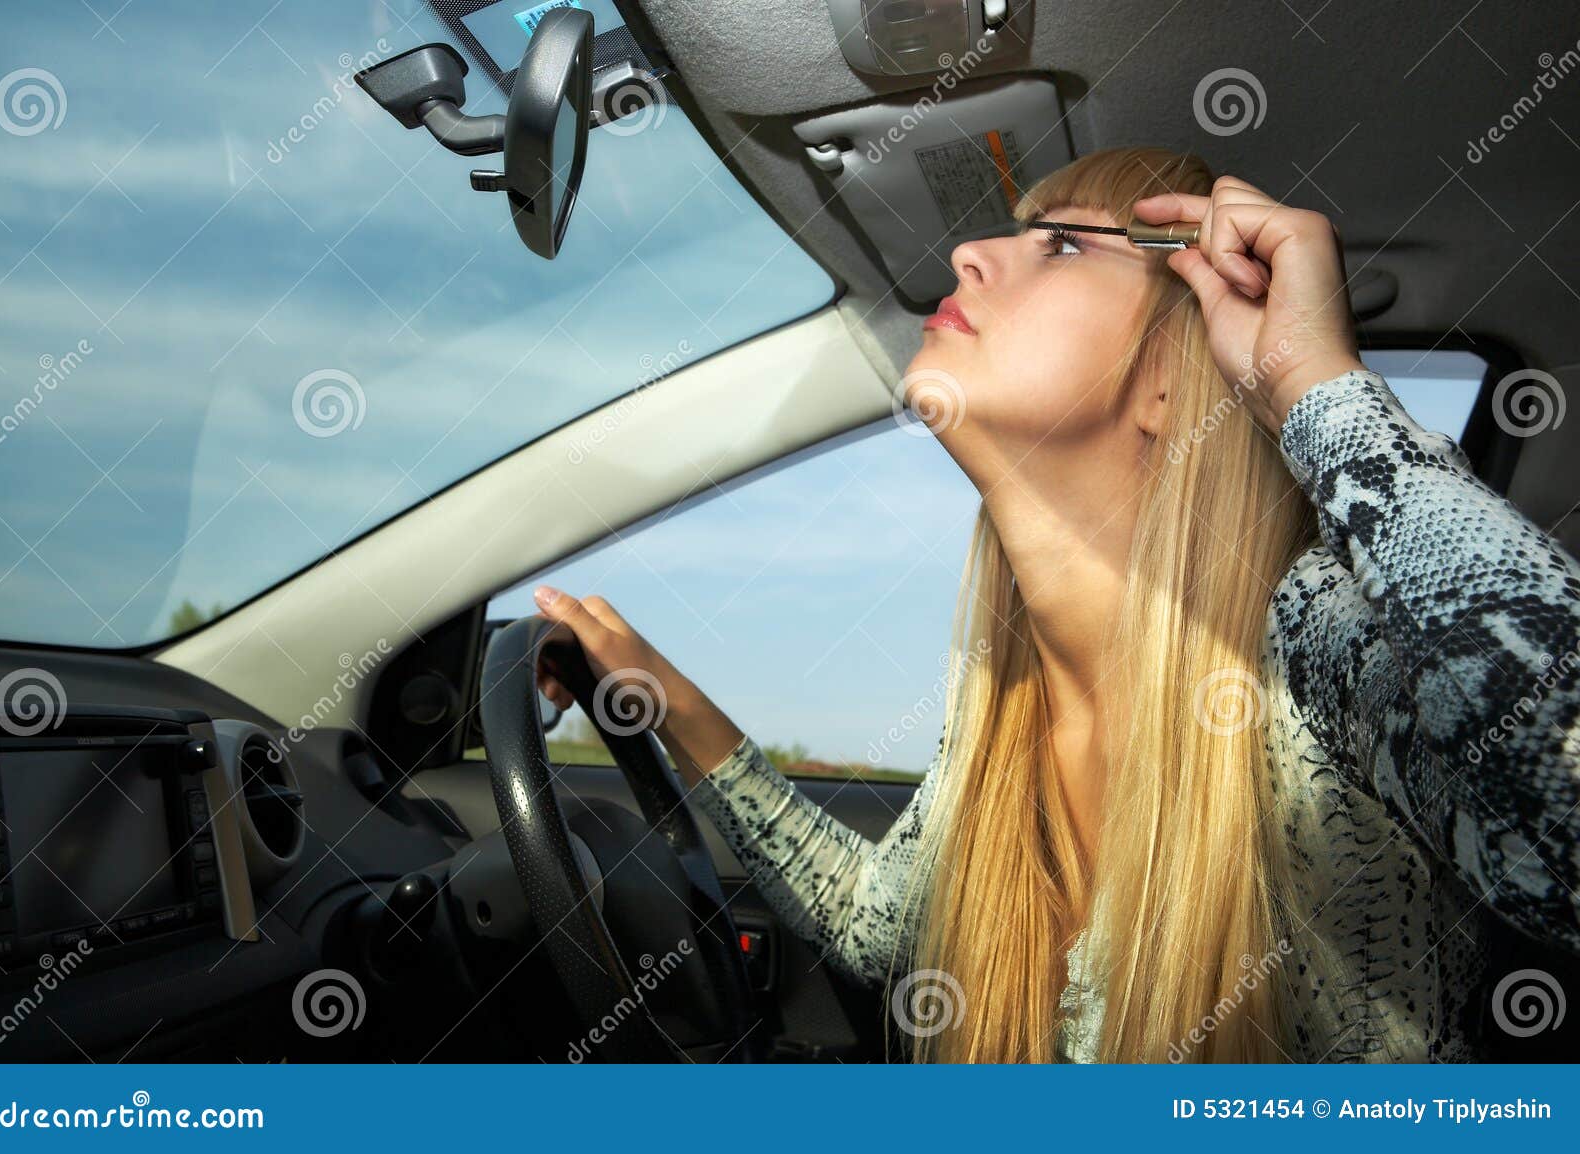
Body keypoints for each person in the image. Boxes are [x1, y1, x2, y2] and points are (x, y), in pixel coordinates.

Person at [528, 147, 1580, 1062]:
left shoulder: (1310, 651)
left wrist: (1307, 380)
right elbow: (873, 921)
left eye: (1066, 247)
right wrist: (666, 699)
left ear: (1171, 379)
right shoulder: (1003, 699)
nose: (968, 256)